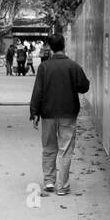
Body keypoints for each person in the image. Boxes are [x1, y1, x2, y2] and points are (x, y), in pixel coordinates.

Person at [29, 33, 89, 195]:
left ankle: (49, 182)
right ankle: (62, 186)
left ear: (50, 47)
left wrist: (34, 112)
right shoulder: (73, 66)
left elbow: (38, 91)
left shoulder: (44, 67)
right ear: (64, 45)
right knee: (65, 150)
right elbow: (84, 87)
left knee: (48, 148)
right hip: (68, 114)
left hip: (48, 114)